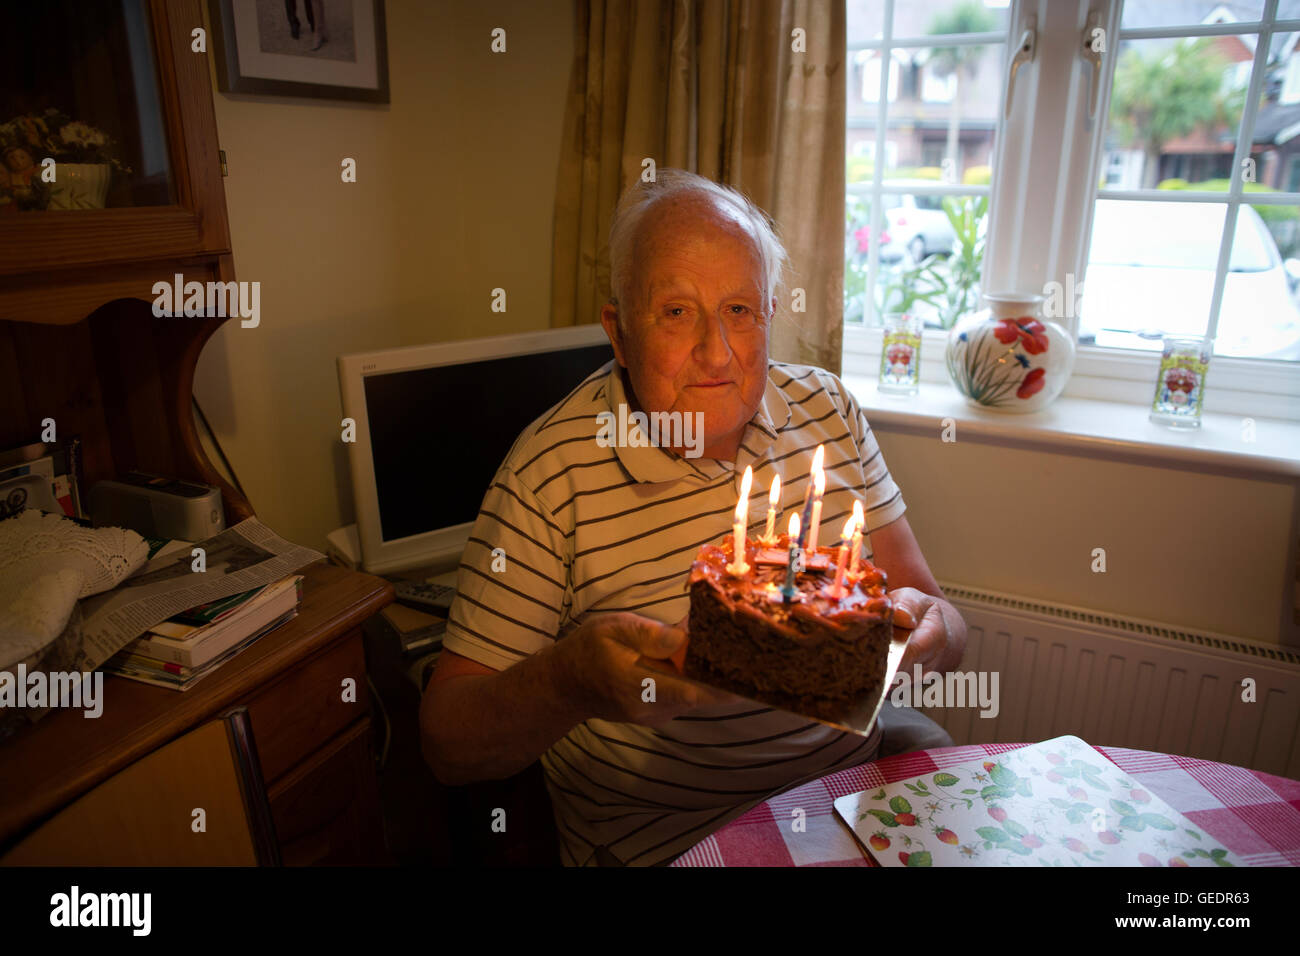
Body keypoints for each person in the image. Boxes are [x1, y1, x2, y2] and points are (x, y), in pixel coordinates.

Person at [419, 169, 967, 866]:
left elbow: (941, 623)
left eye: (740, 310)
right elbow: (446, 746)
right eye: (677, 312)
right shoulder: (547, 473)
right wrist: (570, 681)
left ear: (770, 312)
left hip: (847, 809)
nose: (716, 352)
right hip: (678, 847)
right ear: (618, 333)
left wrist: (929, 638)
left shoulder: (830, 410)